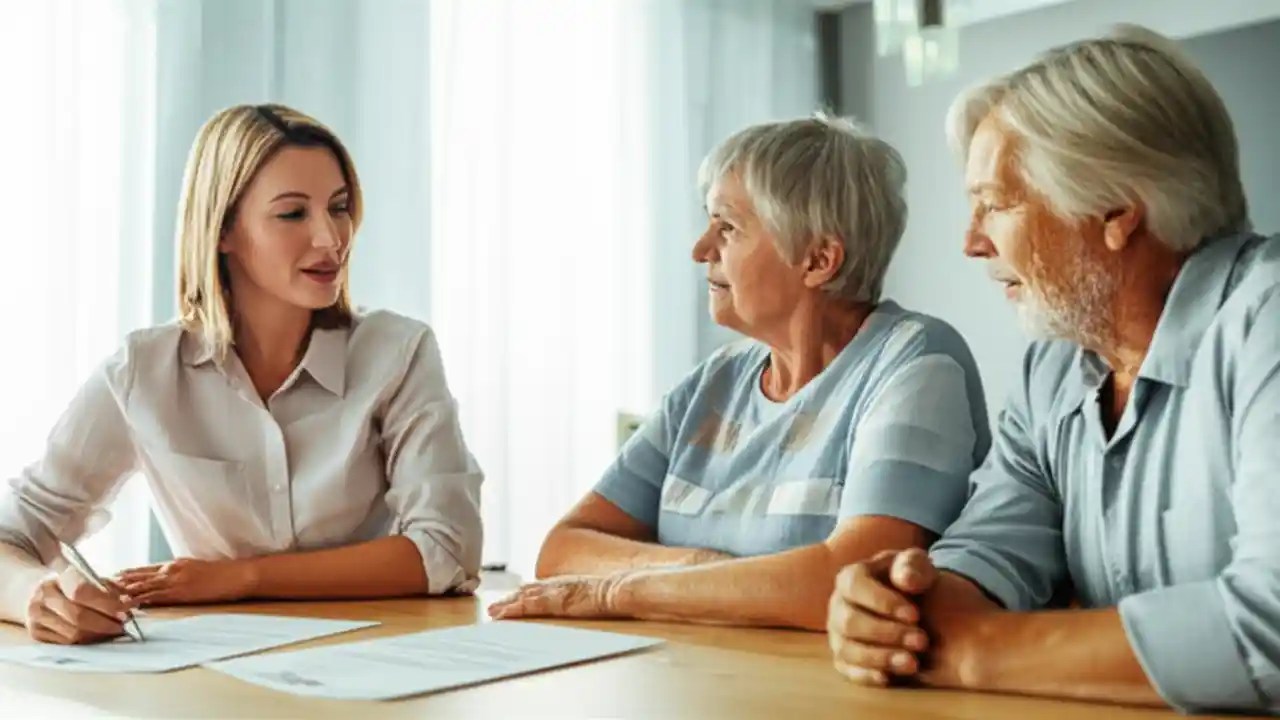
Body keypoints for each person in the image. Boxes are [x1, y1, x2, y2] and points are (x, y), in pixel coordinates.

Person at [826, 25, 1280, 714]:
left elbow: (1268, 629)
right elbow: (993, 544)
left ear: (1115, 210)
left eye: (998, 204)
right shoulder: (1054, 367)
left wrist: (974, 650)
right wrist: (903, 607)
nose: (971, 242)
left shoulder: (1266, 318)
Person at [0, 104, 483, 645]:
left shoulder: (399, 352)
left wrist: (239, 578)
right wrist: (35, 597)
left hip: (379, 658)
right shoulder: (144, 372)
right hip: (217, 674)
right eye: (293, 214)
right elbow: (12, 534)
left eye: (339, 208)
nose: (330, 239)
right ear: (224, 229)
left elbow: (446, 548)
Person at [487, 115, 990, 630]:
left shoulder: (915, 363)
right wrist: (701, 572)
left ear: (818, 260)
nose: (700, 249)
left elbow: (857, 583)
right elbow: (564, 550)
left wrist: (620, 589)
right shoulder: (717, 380)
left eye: (727, 227)